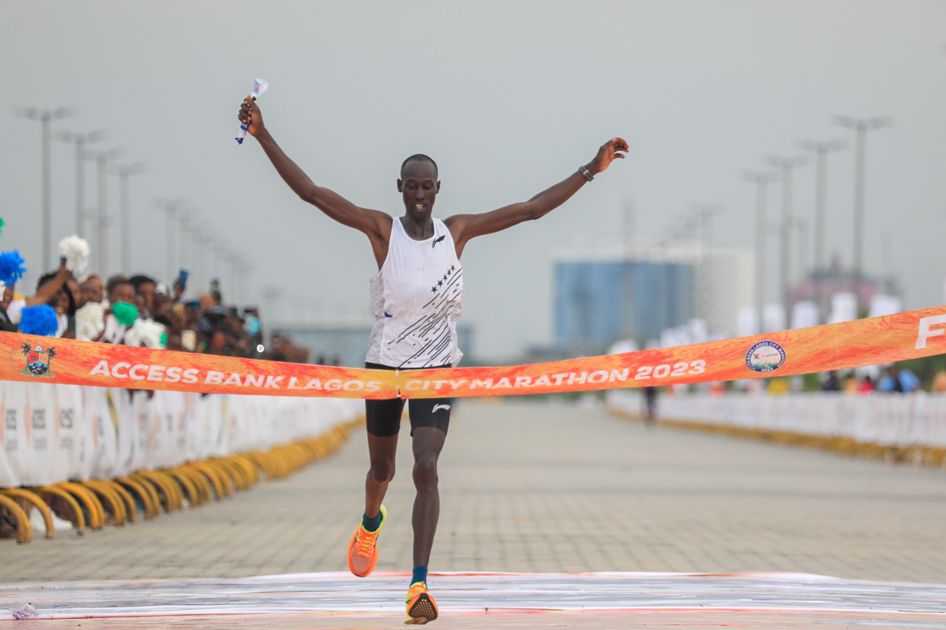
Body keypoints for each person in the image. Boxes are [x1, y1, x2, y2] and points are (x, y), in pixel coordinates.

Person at [238, 95, 627, 624]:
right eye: (412, 186)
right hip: (384, 369)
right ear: (400, 190)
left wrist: (590, 169)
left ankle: (418, 585)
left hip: (437, 371)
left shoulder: (457, 232)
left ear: (437, 190)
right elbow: (312, 194)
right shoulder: (382, 231)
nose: (420, 195)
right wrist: (263, 135)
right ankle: (371, 522)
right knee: (382, 469)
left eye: (428, 186)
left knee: (426, 468)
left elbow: (531, 209)